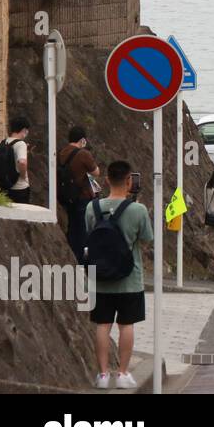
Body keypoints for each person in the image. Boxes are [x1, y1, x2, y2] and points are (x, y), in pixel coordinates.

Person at [85, 159, 153, 390]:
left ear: (106, 180)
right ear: (129, 181)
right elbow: (146, 239)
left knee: (102, 325)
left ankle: (103, 375)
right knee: (126, 325)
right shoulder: (138, 210)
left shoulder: (92, 207)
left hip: (100, 278)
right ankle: (123, 373)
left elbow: (90, 234)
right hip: (129, 278)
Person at [58, 126, 101, 263]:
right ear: (82, 140)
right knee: (83, 229)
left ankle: (71, 258)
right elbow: (96, 172)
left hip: (66, 196)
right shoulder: (83, 154)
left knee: (72, 227)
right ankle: (81, 260)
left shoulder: (61, 152)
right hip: (82, 196)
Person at [0, 116, 32, 203]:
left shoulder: (5, 142)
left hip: (5, 186)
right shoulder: (21, 144)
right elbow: (22, 162)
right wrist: (23, 176)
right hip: (19, 188)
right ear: (24, 130)